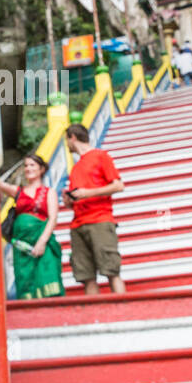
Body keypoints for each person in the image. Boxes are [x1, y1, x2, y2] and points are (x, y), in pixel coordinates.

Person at [63, 124, 125, 295]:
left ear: (72, 137)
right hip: (78, 223)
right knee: (86, 276)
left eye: (66, 140)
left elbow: (119, 185)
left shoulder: (100, 156)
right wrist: (69, 200)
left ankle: (124, 310)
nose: (66, 145)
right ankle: (95, 317)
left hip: (100, 220)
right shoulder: (75, 168)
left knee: (112, 270)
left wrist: (87, 193)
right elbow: (79, 197)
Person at [0, 154, 66, 300]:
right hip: (21, 244)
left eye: (32, 165)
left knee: (47, 273)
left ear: (41, 169)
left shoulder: (49, 192)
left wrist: (42, 242)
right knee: (25, 277)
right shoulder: (19, 192)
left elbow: (53, 218)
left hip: (41, 239)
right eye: (26, 165)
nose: (28, 168)